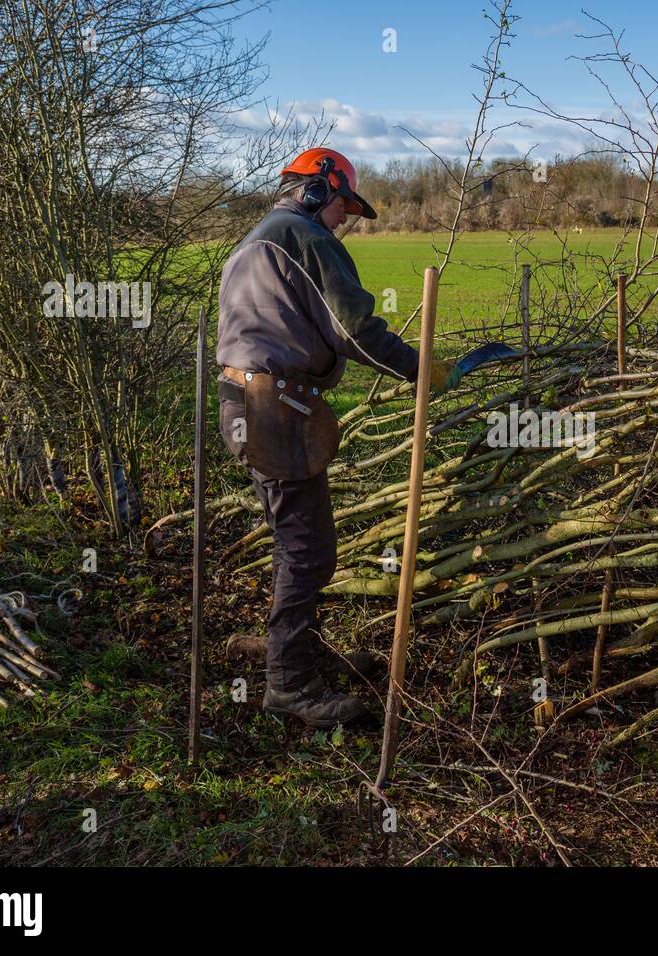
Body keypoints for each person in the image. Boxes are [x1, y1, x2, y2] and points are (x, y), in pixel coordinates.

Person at [215, 147, 460, 727]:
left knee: (299, 539)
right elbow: (355, 328)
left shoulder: (253, 240)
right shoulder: (304, 237)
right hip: (275, 407)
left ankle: (300, 655)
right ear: (316, 189)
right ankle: (289, 684)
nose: (344, 220)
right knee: (306, 549)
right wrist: (422, 368)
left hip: (245, 401)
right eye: (341, 207)